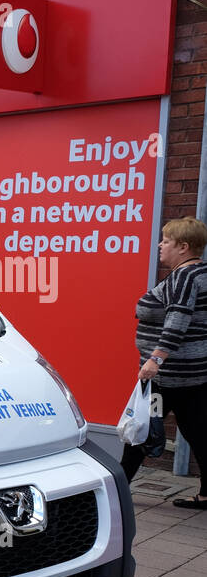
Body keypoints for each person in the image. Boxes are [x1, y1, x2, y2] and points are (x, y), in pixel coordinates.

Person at [120, 217, 207, 509]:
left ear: (183, 247)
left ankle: (118, 494)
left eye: (166, 241)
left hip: (167, 375)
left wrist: (156, 359)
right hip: (193, 373)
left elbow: (178, 320)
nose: (160, 245)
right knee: (197, 431)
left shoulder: (184, 278)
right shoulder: (201, 274)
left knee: (142, 429)